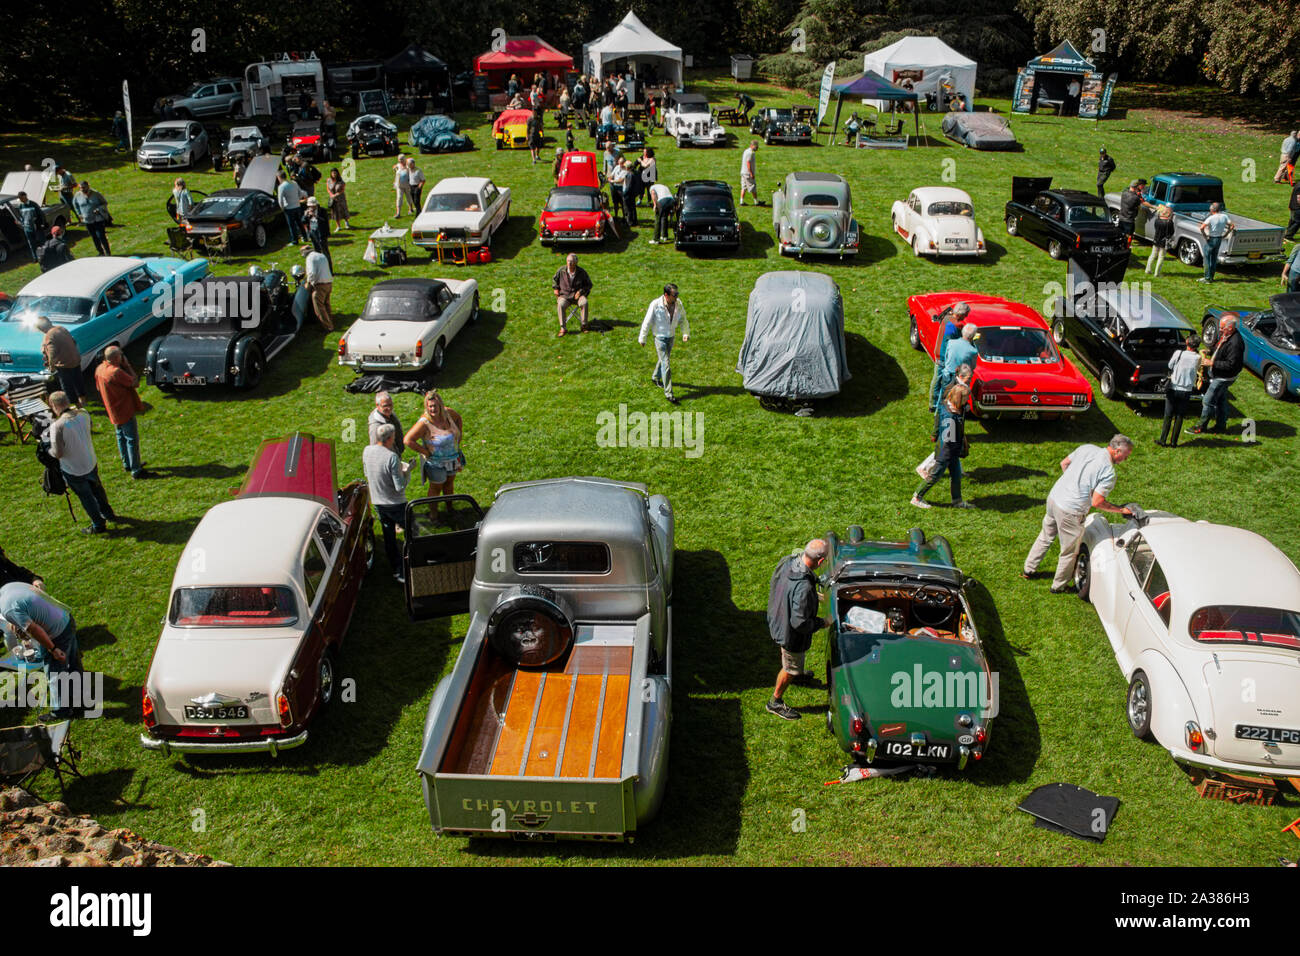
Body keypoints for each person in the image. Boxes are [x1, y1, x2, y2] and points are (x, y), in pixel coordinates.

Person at [1022, 435, 1134, 593]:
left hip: (1054, 498)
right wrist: (1121, 510)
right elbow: (1097, 502)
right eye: (1126, 455)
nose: (1126, 459)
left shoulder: (1087, 447)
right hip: (1071, 511)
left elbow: (1064, 463)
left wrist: (1071, 484)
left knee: (1045, 536)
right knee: (1069, 551)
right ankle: (1059, 586)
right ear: (1117, 451)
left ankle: (1029, 569)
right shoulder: (1108, 472)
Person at [765, 539, 829, 720]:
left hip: (778, 615)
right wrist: (823, 622)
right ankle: (775, 702)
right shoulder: (805, 588)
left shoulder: (789, 561)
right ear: (821, 561)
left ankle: (797, 674)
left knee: (794, 664)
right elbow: (800, 623)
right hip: (789, 634)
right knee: (790, 667)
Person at [0, 582, 82, 719]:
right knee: (73, 660)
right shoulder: (7, 588)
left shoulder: (8, 610)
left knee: (54, 673)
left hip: (56, 633)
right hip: (65, 617)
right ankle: (80, 695)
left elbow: (34, 629)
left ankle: (62, 711)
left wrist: (53, 649)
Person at [48, 391, 115, 535]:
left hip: (74, 469)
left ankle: (98, 524)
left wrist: (49, 451)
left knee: (86, 497)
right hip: (90, 461)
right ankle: (108, 513)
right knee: (97, 490)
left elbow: (58, 453)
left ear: (53, 405)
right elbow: (88, 429)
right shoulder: (84, 413)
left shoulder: (57, 426)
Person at [363, 423, 415, 583]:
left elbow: (367, 472)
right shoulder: (391, 457)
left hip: (378, 502)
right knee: (412, 531)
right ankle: (412, 562)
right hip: (396, 503)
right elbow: (399, 486)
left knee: (389, 536)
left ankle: (396, 569)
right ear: (390, 438)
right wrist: (408, 472)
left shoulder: (367, 451)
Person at [913, 383, 973, 509]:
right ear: (959, 398)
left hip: (952, 451)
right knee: (934, 476)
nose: (968, 400)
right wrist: (958, 447)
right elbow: (948, 439)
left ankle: (957, 501)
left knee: (956, 476)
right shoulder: (950, 417)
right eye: (966, 397)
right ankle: (917, 497)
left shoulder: (947, 405)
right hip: (946, 452)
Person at [94, 345, 150, 479]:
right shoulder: (115, 372)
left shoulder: (100, 369)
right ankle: (136, 469)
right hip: (124, 409)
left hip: (113, 410)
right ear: (116, 358)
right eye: (120, 355)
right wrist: (128, 366)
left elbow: (97, 388)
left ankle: (127, 463)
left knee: (120, 436)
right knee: (131, 439)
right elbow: (135, 382)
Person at [404, 390, 464, 497]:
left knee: (449, 485)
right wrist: (425, 452)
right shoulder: (424, 422)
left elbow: (458, 418)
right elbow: (408, 440)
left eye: (435, 406)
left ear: (440, 405)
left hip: (453, 459)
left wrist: (459, 434)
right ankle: (433, 513)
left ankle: (450, 509)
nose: (433, 409)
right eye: (430, 406)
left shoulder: (448, 413)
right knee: (436, 488)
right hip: (436, 463)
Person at [1191, 313, 1243, 434]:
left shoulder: (1235, 344)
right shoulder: (1226, 335)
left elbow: (1231, 364)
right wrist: (1209, 351)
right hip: (1219, 374)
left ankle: (1201, 427)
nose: (1219, 330)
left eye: (1222, 328)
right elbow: (1219, 349)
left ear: (1230, 328)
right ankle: (1221, 426)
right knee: (1221, 400)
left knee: (1207, 401)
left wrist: (1212, 364)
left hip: (1224, 377)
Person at [638, 283, 689, 404]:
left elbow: (683, 319)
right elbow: (647, 321)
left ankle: (655, 377)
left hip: (671, 337)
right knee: (666, 363)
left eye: (677, 294)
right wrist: (642, 338)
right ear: (666, 295)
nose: (676, 297)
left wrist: (685, 333)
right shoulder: (655, 305)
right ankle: (669, 393)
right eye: (674, 294)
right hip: (659, 338)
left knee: (663, 359)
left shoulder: (678, 303)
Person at [1157, 335, 1201, 447]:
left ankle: (1163, 440)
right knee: (1179, 416)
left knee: (1168, 415)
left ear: (1187, 342)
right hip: (1186, 390)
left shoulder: (1178, 353)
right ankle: (1174, 442)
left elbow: (1170, 365)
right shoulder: (1197, 357)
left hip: (1174, 387)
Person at [926, 301, 970, 409]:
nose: (965, 317)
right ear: (960, 314)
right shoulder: (955, 326)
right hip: (944, 357)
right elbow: (954, 344)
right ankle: (935, 404)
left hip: (939, 353)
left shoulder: (947, 318)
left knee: (937, 380)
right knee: (941, 382)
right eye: (965, 315)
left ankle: (933, 403)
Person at [37, 316, 85, 406]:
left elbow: (52, 352)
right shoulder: (61, 328)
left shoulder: (49, 335)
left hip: (64, 364)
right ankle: (83, 400)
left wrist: (51, 366)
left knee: (67, 386)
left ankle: (77, 406)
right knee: (78, 381)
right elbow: (73, 341)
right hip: (75, 359)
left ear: (42, 328)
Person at [931, 322, 978, 411]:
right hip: (960, 377)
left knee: (944, 394)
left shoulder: (951, 342)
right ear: (973, 336)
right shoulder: (973, 351)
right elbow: (972, 366)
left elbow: (946, 356)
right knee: (958, 397)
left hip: (947, 374)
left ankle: (939, 410)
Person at [553, 253, 592, 335]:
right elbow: (555, 280)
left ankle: (584, 325)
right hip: (565, 296)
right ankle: (563, 328)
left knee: (584, 302)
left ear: (576, 263)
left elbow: (589, 285)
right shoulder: (561, 271)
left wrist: (580, 292)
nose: (569, 263)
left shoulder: (581, 272)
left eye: (571, 261)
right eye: (568, 261)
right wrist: (556, 289)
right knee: (560, 304)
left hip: (578, 297)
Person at [1197, 202, 1234, 283]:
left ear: (1212, 209)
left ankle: (1207, 278)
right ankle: (1211, 277)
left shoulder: (1211, 218)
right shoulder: (1224, 216)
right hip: (1219, 239)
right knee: (1214, 259)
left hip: (1212, 239)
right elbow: (1232, 226)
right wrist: (1226, 234)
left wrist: (1205, 236)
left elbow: (1202, 227)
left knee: (1206, 258)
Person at [299, 245, 334, 332]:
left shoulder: (310, 258)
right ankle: (330, 320)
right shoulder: (321, 255)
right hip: (329, 283)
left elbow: (312, 273)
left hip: (320, 285)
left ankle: (328, 327)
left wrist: (308, 283)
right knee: (326, 304)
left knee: (319, 307)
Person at [72, 181, 111, 255]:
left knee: (101, 236)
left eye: (83, 187)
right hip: (87, 220)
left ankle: (108, 252)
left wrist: (98, 209)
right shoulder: (77, 195)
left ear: (88, 186)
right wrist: (80, 214)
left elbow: (104, 203)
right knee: (94, 237)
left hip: (98, 219)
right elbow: (75, 205)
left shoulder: (96, 194)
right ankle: (100, 252)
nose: (82, 189)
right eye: (80, 188)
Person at [303, 197, 333, 273]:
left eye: (313, 206)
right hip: (313, 233)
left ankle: (330, 270)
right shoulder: (307, 211)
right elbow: (303, 221)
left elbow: (324, 221)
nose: (311, 208)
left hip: (321, 234)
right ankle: (320, 270)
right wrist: (305, 216)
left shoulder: (322, 211)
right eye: (310, 206)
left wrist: (315, 216)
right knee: (317, 252)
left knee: (325, 253)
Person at [1145, 204, 1175, 276]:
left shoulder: (1157, 220)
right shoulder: (1169, 222)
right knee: (1161, 256)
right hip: (1164, 242)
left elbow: (1156, 229)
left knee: (1153, 255)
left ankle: (1148, 269)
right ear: (1168, 214)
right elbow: (1172, 232)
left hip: (1156, 239)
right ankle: (1157, 273)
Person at [15, 191, 45, 261]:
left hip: (36, 227)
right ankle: (35, 258)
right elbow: (22, 217)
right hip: (27, 229)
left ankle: (44, 255)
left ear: (25, 196)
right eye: (20, 199)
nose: (21, 200)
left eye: (21, 198)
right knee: (31, 244)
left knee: (41, 242)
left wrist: (42, 224)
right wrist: (20, 223)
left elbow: (41, 215)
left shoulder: (33, 204)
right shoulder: (21, 206)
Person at [277, 173, 304, 243]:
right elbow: (300, 194)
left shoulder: (281, 187)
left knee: (292, 225)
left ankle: (295, 240)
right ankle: (305, 236)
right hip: (297, 206)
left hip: (289, 208)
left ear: (279, 177)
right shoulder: (294, 183)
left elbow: (280, 200)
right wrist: (297, 200)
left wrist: (282, 208)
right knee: (300, 223)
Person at [621, 158, 644, 225]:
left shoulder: (630, 174)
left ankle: (630, 221)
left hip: (629, 193)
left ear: (628, 168)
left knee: (628, 208)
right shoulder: (636, 172)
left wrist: (624, 194)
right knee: (633, 207)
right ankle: (634, 220)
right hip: (634, 192)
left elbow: (629, 186)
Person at [739, 139, 759, 205]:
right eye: (755, 146)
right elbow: (748, 163)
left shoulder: (746, 151)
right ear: (751, 145)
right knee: (753, 186)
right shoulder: (750, 153)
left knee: (744, 187)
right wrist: (751, 173)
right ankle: (756, 202)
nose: (756, 148)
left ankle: (741, 201)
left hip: (743, 172)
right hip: (747, 173)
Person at [1284, 178, 1300, 242]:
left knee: (1292, 221)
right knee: (1297, 222)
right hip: (1297, 207)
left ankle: (1287, 234)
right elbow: (1299, 199)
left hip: (1293, 206)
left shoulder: (1297, 184)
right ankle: (1288, 236)